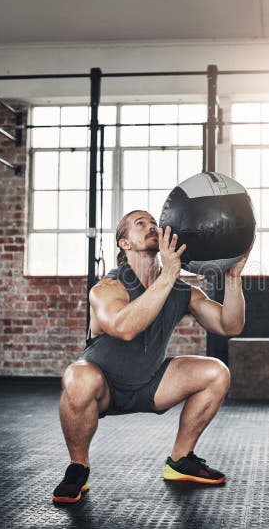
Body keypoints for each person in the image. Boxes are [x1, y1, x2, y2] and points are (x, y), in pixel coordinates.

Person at [52, 210, 249, 503]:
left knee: (216, 372)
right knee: (76, 376)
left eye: (154, 223)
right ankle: (78, 467)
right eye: (139, 224)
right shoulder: (108, 287)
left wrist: (233, 276)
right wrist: (169, 273)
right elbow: (125, 328)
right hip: (102, 386)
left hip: (150, 384)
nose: (151, 227)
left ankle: (180, 460)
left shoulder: (181, 290)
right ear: (124, 244)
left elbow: (229, 325)